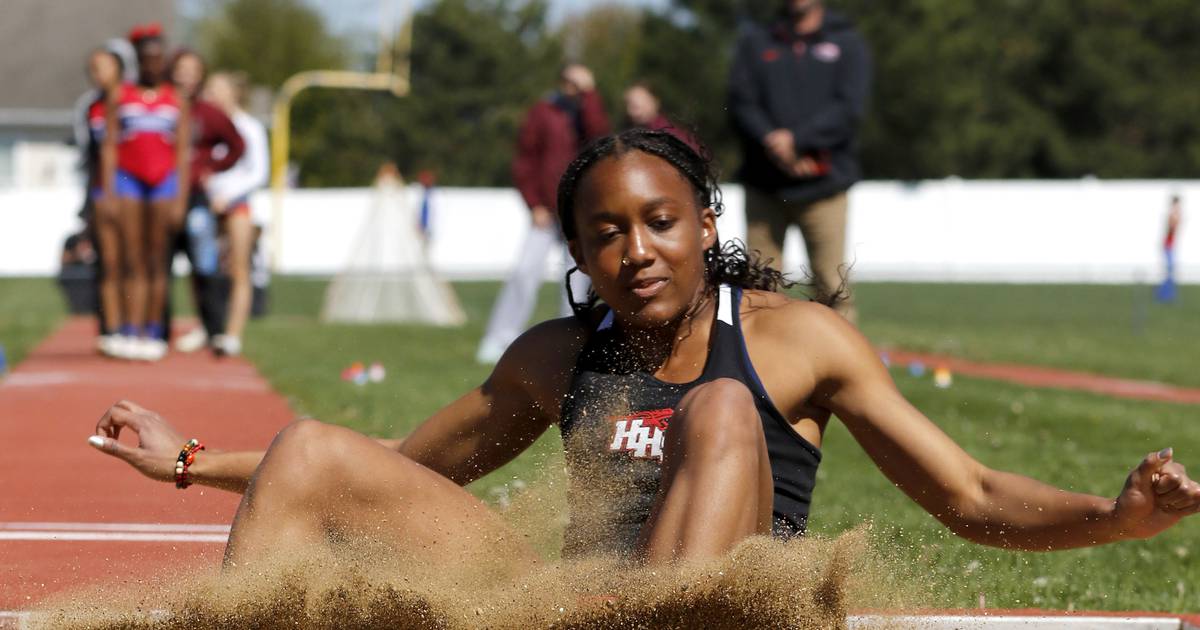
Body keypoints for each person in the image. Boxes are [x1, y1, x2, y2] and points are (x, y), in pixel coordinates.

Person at [92, 129, 1200, 573]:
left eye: (661, 223)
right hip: (581, 607)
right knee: (313, 447)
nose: (638, 251)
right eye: (608, 233)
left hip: (719, 608)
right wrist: (187, 462)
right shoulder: (554, 356)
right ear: (579, 252)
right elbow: (398, 468)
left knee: (719, 410)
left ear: (706, 226)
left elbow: (969, 493)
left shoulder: (799, 342)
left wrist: (1117, 519)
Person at [728, 0, 870, 322]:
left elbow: (849, 108)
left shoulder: (846, 41)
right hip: (765, 185)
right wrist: (773, 141)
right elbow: (741, 102)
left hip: (825, 186)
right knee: (758, 287)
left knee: (832, 286)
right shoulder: (756, 41)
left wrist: (798, 141)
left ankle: (837, 355)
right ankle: (758, 355)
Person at [475, 63, 610, 364]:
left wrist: (590, 96)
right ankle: (499, 338)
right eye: (570, 81)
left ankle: (573, 343)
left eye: (580, 83)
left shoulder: (588, 111)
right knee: (524, 271)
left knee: (577, 279)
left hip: (580, 212)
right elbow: (525, 159)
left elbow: (600, 139)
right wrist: (533, 203)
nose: (573, 87)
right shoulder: (543, 111)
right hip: (545, 211)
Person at [100, 23, 190, 361]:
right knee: (130, 258)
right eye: (146, 58)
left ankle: (153, 331)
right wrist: (109, 192)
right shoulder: (120, 95)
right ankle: (129, 329)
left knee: (157, 260)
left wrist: (180, 198)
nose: (152, 64)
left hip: (163, 183)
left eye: (157, 57)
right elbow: (109, 146)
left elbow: (182, 152)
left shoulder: (176, 98)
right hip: (129, 181)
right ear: (137, 60)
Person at [168, 50, 245, 354]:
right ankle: (156, 331)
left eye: (193, 70)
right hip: (162, 196)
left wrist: (211, 168)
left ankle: (214, 330)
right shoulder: (163, 105)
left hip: (195, 197)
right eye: (181, 69)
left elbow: (237, 145)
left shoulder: (208, 113)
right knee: (160, 263)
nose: (186, 75)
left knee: (204, 260)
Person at [201, 72, 270, 356]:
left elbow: (259, 172)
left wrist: (227, 197)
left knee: (239, 268)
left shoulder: (250, 127)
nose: (211, 94)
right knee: (204, 269)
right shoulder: (205, 125)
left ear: (234, 92)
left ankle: (233, 334)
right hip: (206, 204)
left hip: (237, 205)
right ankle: (209, 326)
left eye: (217, 89)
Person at [76, 45, 131, 356]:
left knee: (135, 262)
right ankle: (110, 329)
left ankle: (141, 327)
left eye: (105, 67)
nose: (99, 74)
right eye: (94, 69)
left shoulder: (133, 101)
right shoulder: (90, 107)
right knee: (108, 262)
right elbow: (89, 155)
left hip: (135, 190)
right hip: (101, 190)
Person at [623, 81, 699, 153]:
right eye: (629, 105)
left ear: (655, 101)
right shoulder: (632, 132)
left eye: (636, 106)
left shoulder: (668, 134)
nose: (630, 112)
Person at [1156, 195, 1183, 303]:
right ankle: (1164, 295)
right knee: (1170, 270)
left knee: (1170, 270)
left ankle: (1168, 295)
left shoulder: (1174, 215)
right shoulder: (1173, 215)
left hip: (1169, 245)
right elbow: (1171, 229)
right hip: (1168, 245)